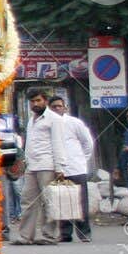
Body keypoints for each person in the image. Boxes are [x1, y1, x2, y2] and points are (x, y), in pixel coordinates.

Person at [13, 90, 81, 245]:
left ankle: (48, 235)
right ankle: (25, 236)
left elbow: (59, 144)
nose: (35, 104)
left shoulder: (55, 120)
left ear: (45, 101)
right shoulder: (32, 120)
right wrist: (24, 161)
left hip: (48, 165)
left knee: (48, 201)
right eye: (32, 101)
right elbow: (29, 143)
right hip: (32, 166)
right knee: (27, 200)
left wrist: (60, 167)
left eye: (38, 100)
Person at [50, 97, 93, 242]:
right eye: (53, 107)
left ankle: (84, 233)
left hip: (76, 168)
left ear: (65, 108)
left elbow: (88, 143)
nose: (56, 109)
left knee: (81, 202)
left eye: (59, 106)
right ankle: (65, 234)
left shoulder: (75, 123)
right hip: (59, 169)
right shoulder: (49, 124)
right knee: (63, 201)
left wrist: (81, 158)